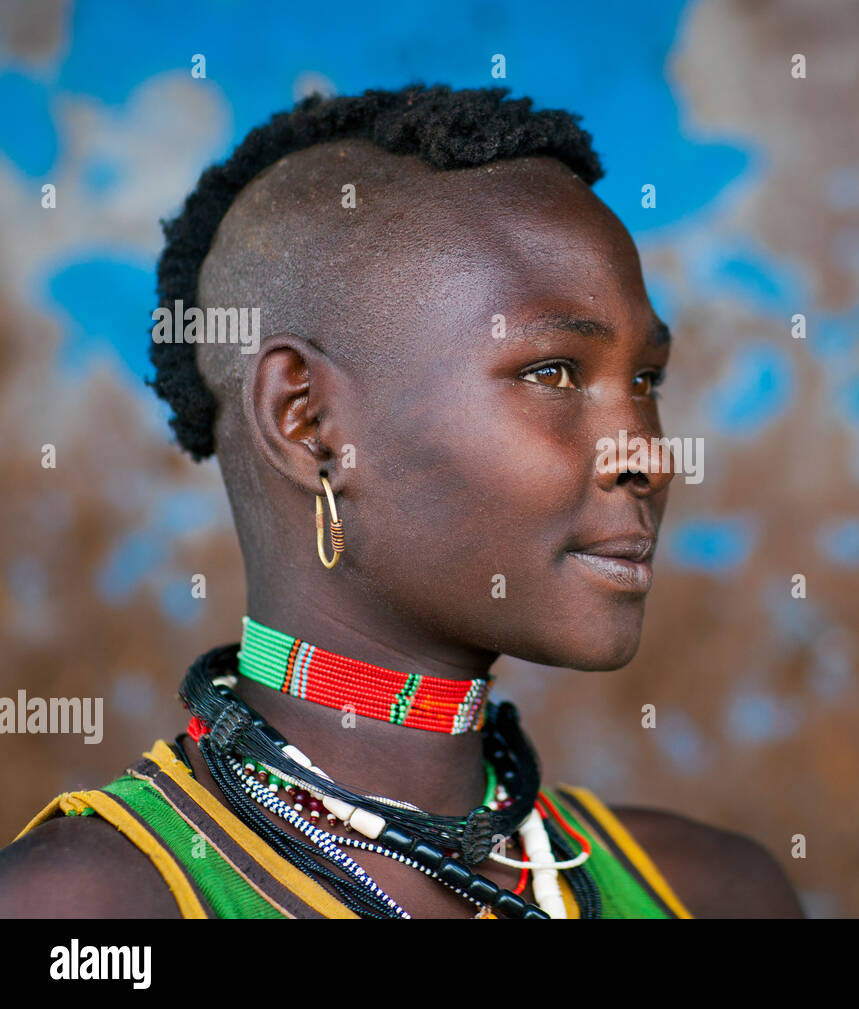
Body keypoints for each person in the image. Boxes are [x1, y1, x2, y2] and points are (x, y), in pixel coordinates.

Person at [0, 83, 803, 919]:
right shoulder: (83, 910)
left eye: (647, 380)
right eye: (552, 372)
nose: (646, 453)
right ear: (307, 422)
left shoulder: (713, 892)